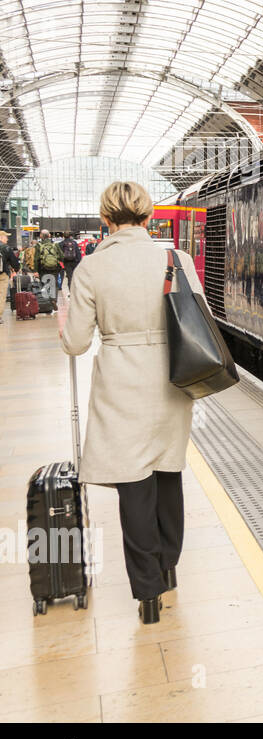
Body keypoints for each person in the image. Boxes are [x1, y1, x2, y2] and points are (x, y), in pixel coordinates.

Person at [59, 182, 202, 625]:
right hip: (172, 378)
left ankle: (148, 596)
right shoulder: (173, 258)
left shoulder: (91, 268)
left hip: (122, 382)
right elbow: (201, 318)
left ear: (105, 219)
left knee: (134, 485)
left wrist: (65, 324)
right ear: (147, 216)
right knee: (168, 472)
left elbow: (78, 344)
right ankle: (169, 565)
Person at [0, 230, 20, 323]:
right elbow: (14, 262)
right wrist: (16, 269)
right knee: (1, 295)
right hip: (2, 275)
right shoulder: (6, 248)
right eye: (6, 237)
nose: (7, 239)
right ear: (1, 238)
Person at [34, 230, 61, 294]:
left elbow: (36, 259)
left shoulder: (38, 245)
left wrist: (35, 271)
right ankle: (54, 300)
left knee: (44, 284)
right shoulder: (55, 245)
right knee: (54, 284)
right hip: (54, 268)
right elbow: (61, 256)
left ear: (40, 236)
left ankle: (46, 301)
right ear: (49, 235)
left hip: (43, 269)